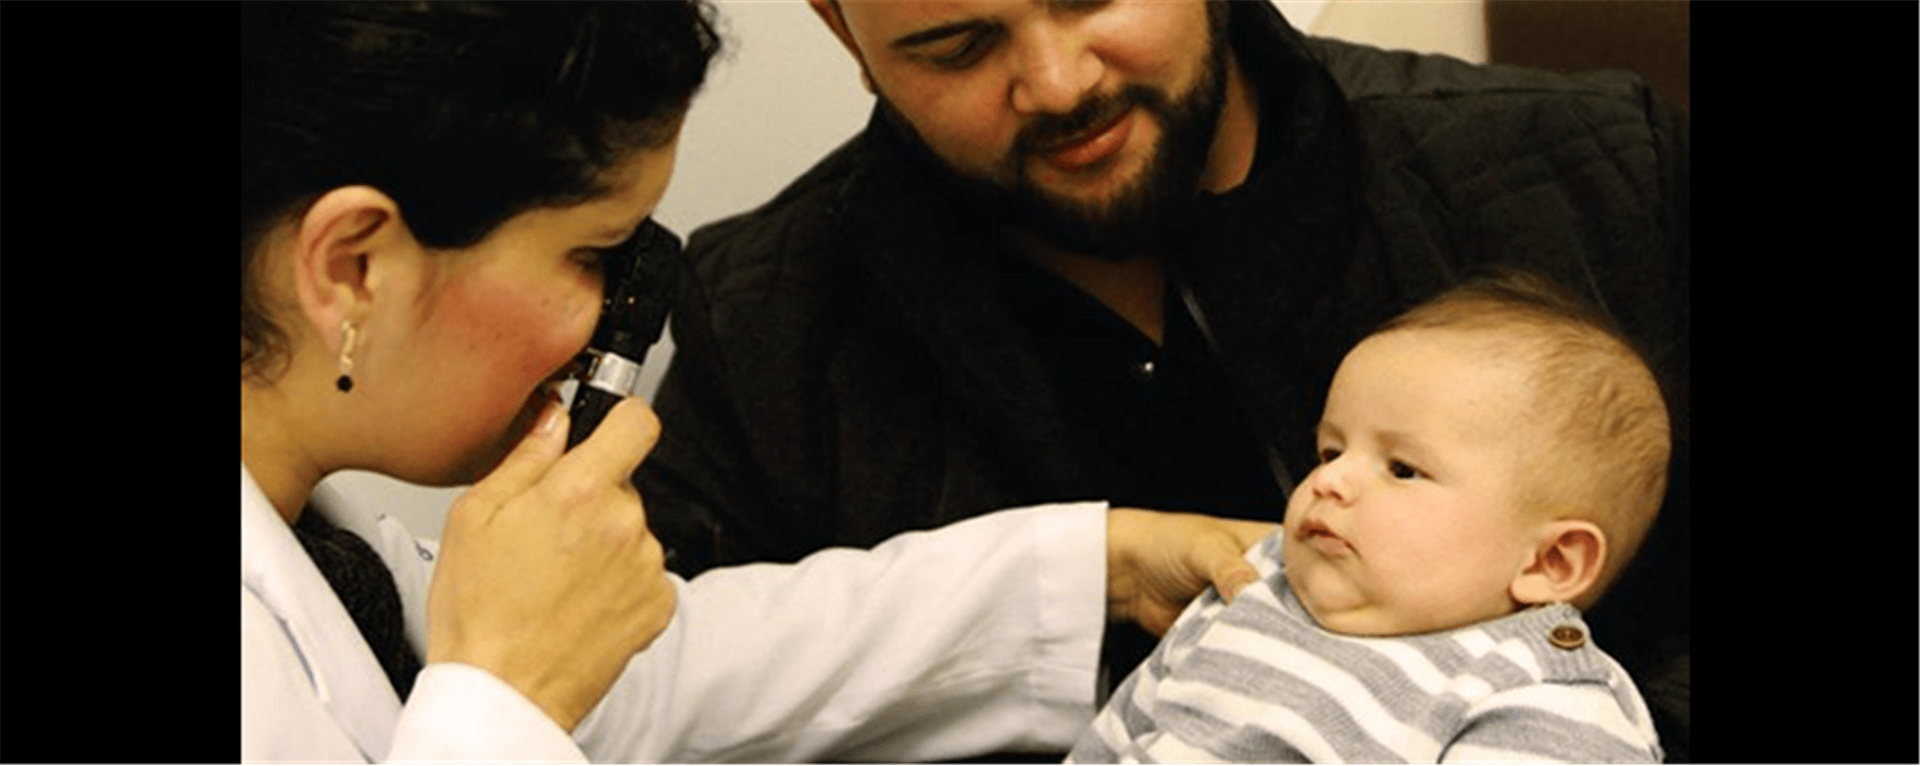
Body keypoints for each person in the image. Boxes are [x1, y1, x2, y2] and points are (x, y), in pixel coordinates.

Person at [638, 0, 1689, 755]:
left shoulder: (1596, 173)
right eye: (957, 46)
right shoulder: (757, 324)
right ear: (839, 30)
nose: (1058, 83)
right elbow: (645, 698)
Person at [240, 3, 1273, 761]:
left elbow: (656, 677)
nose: (616, 322)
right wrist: (505, 695)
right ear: (353, 266)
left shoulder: (326, 554)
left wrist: (1101, 564)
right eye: (595, 256)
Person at [1070, 272, 1670, 763]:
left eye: (1402, 469)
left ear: (1550, 561)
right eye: (1331, 450)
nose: (1329, 480)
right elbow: (1119, 734)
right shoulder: (1253, 587)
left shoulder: (1539, 703)